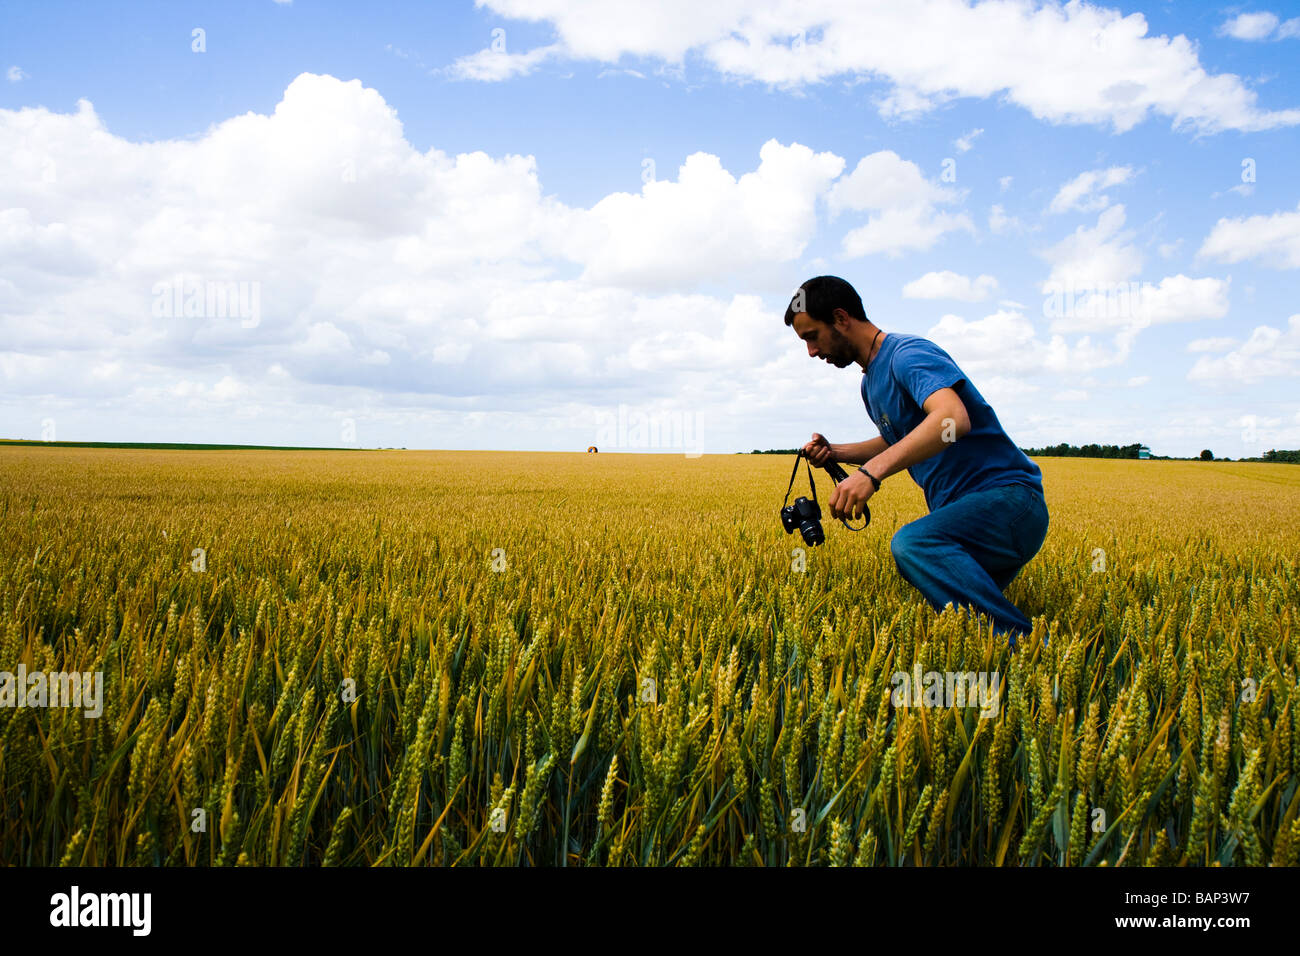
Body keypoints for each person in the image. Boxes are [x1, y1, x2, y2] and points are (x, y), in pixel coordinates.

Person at [784, 275, 1049, 647]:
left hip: (1008, 503)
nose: (811, 352)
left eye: (811, 336)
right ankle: (998, 667)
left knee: (913, 544)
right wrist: (837, 452)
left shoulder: (907, 354)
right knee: (954, 631)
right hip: (970, 516)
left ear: (841, 318)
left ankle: (1030, 652)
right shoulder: (869, 383)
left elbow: (951, 421)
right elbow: (900, 438)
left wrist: (870, 474)